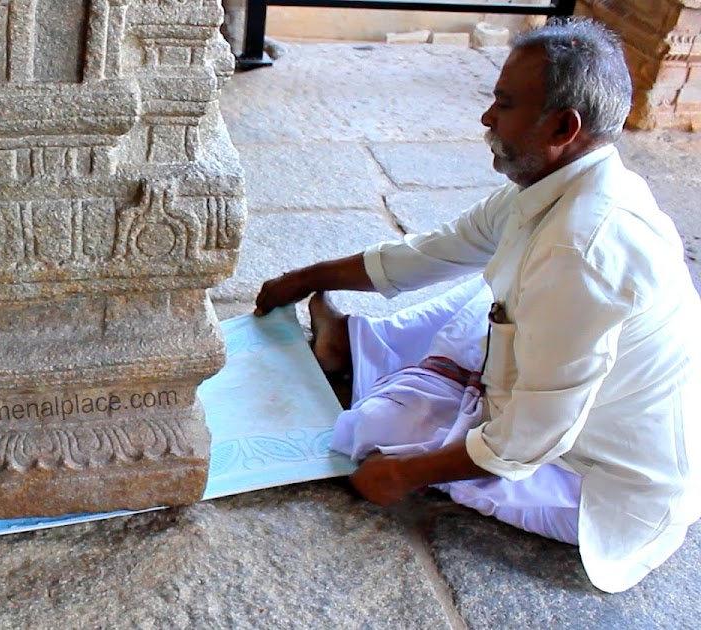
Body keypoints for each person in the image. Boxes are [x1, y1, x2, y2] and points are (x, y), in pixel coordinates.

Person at [255, 18, 701, 593]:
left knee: (381, 429)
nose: (487, 119)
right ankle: (351, 343)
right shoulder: (562, 185)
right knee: (483, 295)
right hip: (569, 389)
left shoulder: (579, 251)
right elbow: (438, 251)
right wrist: (307, 277)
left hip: (599, 481)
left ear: (564, 126)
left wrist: (404, 474)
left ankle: (370, 363)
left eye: (505, 104)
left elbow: (529, 438)